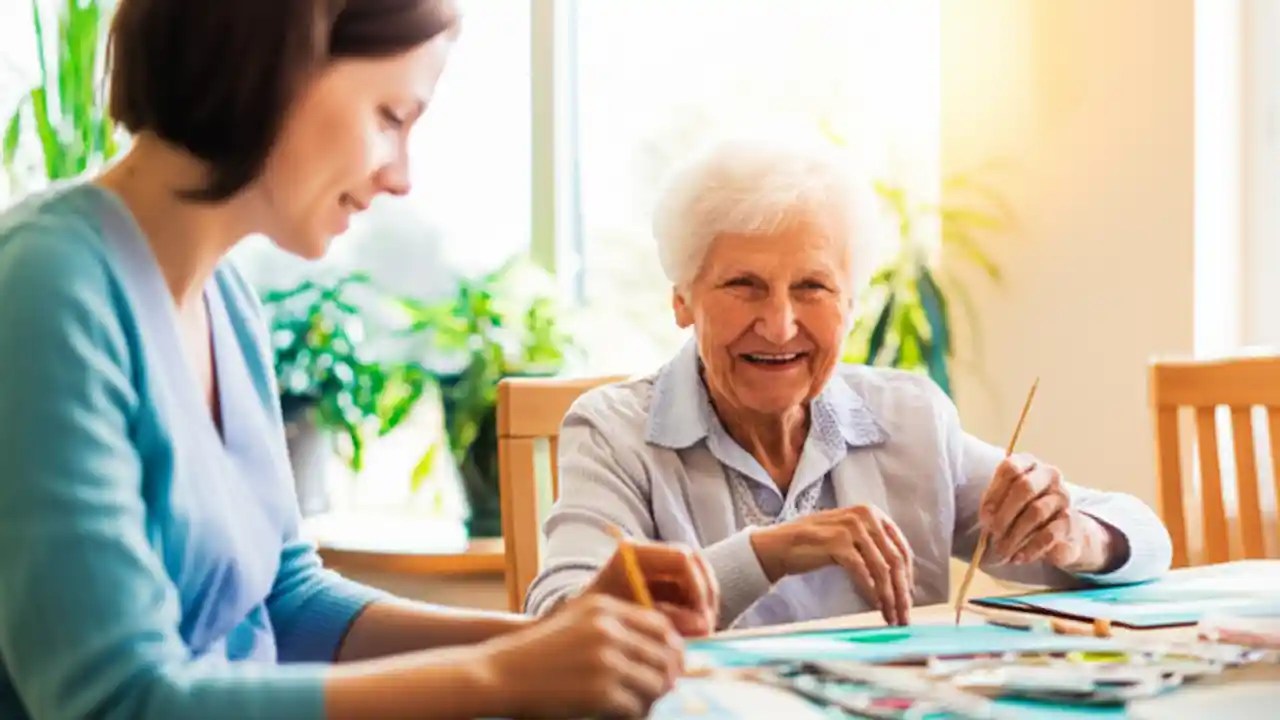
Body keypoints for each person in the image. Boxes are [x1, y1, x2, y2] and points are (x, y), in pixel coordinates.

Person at [0, 2, 717, 719]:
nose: (400, 176)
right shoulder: (45, 290)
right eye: (391, 117)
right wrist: (506, 676)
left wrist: (548, 642)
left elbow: (286, 602)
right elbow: (114, 702)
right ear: (276, 65)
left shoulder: (225, 301)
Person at [525, 137, 1173, 631]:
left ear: (852, 304)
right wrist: (770, 552)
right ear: (683, 300)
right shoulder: (614, 432)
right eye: (743, 285)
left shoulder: (910, 419)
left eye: (812, 287)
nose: (779, 326)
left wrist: (1073, 536)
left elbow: (1145, 539)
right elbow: (560, 621)